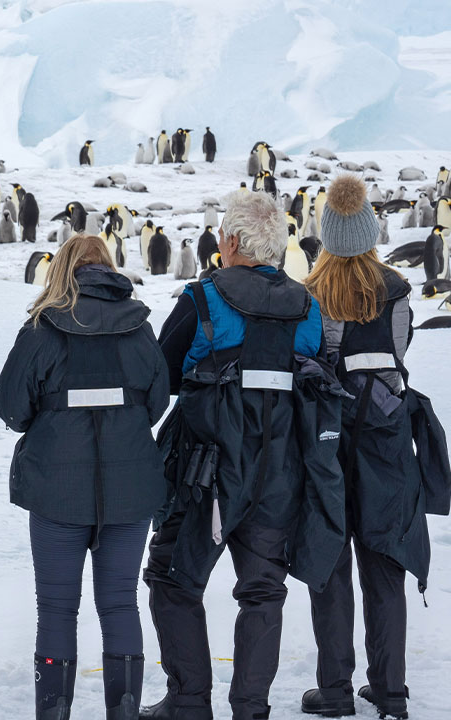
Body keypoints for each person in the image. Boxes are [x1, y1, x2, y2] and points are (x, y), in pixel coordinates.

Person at [142, 191, 347, 720]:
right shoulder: (307, 304)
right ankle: (250, 708)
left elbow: (160, 375)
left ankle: (189, 701)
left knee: (172, 577)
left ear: (229, 241)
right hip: (282, 467)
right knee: (262, 590)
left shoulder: (203, 296)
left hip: (203, 469)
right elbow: (322, 373)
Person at [0, 235, 170, 720]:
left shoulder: (42, 328)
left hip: (56, 490)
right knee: (119, 604)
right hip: (130, 489)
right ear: (109, 268)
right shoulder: (139, 329)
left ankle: (53, 712)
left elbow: (10, 407)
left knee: (56, 609)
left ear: (62, 270)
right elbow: (156, 403)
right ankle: (125, 711)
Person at [299, 175, 451, 720]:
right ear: (368, 232)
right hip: (387, 440)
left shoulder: (312, 295)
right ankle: (389, 692)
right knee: (384, 561)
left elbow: (313, 359)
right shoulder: (399, 291)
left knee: (331, 560)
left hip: (329, 441)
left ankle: (335, 690)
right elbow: (400, 353)